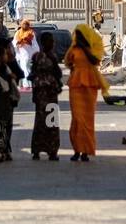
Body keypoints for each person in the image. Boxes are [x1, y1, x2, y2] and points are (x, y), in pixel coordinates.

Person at [64, 23, 109, 162]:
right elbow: (67, 62)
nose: (75, 37)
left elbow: (95, 60)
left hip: (90, 85)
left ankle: (85, 151)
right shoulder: (73, 49)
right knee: (77, 119)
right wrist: (73, 67)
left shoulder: (93, 48)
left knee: (87, 120)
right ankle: (77, 150)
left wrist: (84, 49)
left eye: (78, 35)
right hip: (76, 85)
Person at [30, 31, 62, 161]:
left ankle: (37, 150)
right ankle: (52, 151)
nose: (53, 44)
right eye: (51, 41)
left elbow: (32, 74)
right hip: (49, 93)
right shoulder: (51, 57)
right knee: (51, 122)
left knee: (40, 121)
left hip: (40, 92)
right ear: (46, 43)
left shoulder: (36, 57)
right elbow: (58, 74)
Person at [13, 18, 39, 89]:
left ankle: (27, 84)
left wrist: (27, 42)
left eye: (26, 24)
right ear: (21, 25)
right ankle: (27, 83)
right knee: (23, 68)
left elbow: (34, 44)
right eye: (23, 24)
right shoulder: (18, 32)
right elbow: (14, 42)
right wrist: (18, 43)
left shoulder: (31, 33)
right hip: (21, 53)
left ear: (28, 25)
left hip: (28, 53)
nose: (25, 25)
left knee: (25, 67)